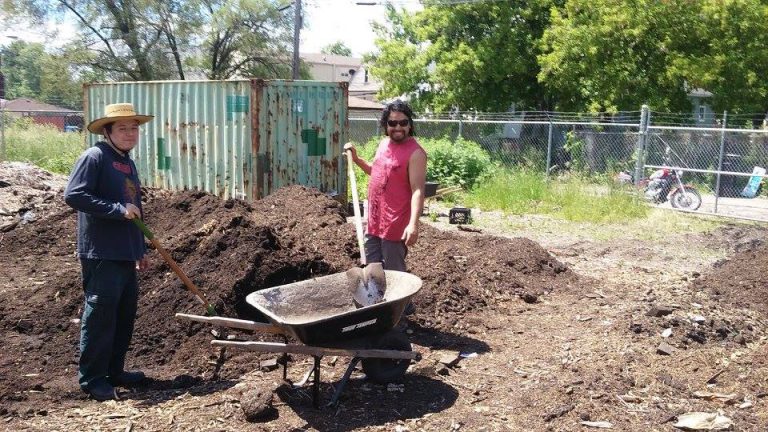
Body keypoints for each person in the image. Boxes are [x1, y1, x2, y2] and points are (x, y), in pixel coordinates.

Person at [64, 103, 153, 401]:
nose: (130, 133)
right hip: (101, 253)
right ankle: (93, 380)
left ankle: (115, 371)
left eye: (134, 127)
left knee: (124, 316)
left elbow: (134, 211)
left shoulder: (126, 162)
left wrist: (139, 248)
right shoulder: (95, 157)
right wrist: (117, 209)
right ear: (107, 131)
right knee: (101, 317)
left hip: (125, 252)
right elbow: (74, 194)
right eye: (123, 128)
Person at [344, 99, 427, 273]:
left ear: (410, 125)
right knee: (373, 270)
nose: (398, 127)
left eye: (403, 122)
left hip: (395, 225)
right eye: (392, 123)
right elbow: (377, 173)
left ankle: (402, 302)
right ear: (385, 125)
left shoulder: (416, 153)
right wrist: (357, 160)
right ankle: (377, 300)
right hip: (374, 220)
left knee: (393, 273)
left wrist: (413, 225)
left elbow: (418, 190)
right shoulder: (383, 144)